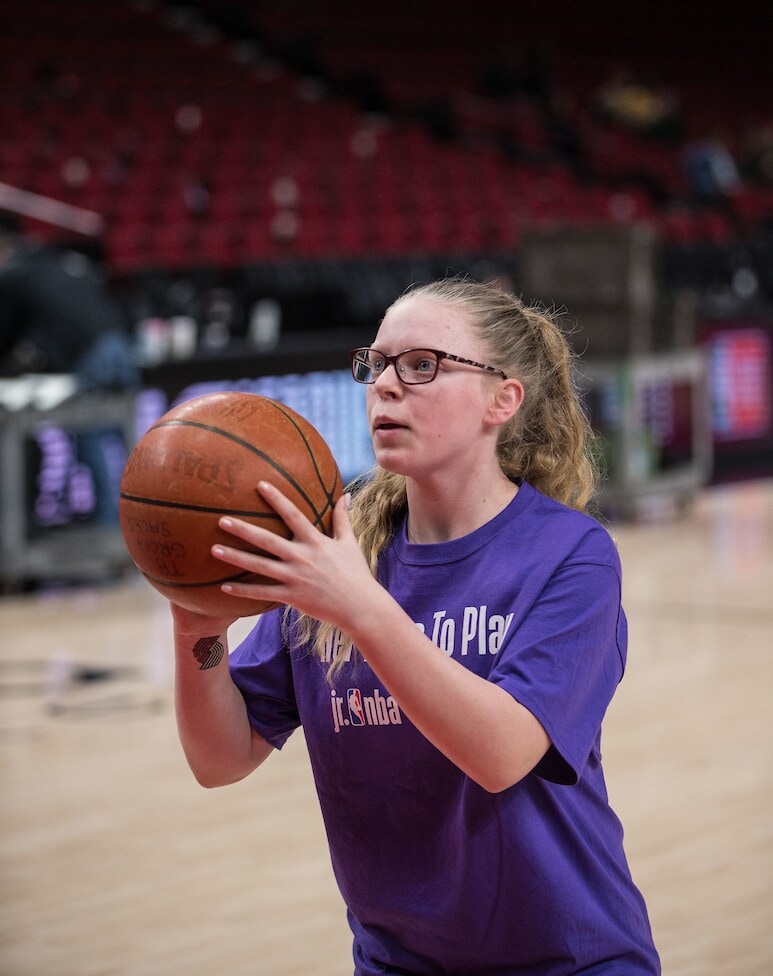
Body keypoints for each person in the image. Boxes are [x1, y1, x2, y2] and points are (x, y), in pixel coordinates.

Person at [171, 276, 661, 975]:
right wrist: (197, 633)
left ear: (504, 399)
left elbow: (501, 755)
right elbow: (220, 759)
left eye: (422, 365)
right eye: (376, 364)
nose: (387, 386)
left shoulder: (571, 555)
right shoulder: (341, 550)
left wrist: (360, 608)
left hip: (568, 957)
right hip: (397, 963)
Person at [0, 214, 140, 522]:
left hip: (92, 355)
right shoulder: (55, 260)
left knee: (91, 439)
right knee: (129, 443)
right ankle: (142, 521)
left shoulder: (15, 272)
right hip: (120, 344)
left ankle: (109, 529)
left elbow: (8, 329)